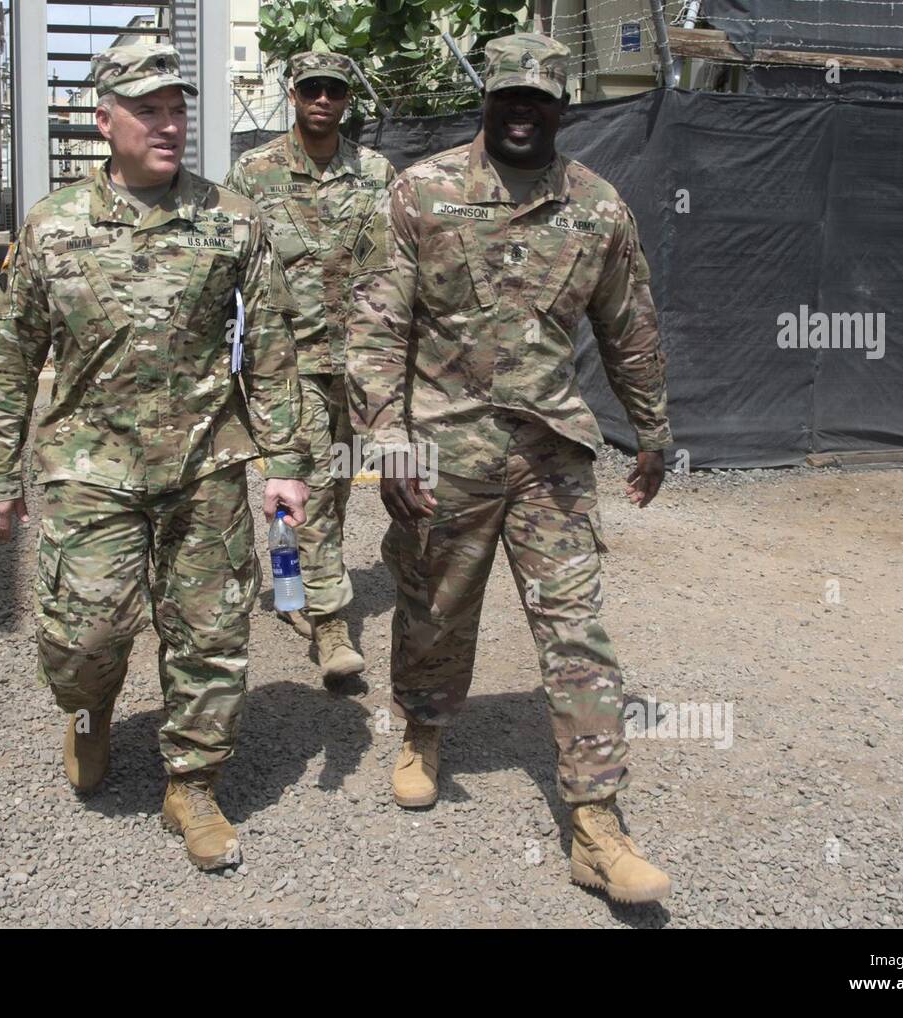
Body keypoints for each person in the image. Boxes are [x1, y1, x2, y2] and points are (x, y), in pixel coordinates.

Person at [0, 44, 309, 871]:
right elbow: (12, 358)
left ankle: (192, 782)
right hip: (90, 471)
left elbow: (270, 350)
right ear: (104, 119)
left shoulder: (231, 220)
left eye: (177, 107)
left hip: (204, 466)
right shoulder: (54, 227)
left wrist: (285, 463)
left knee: (211, 634)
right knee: (81, 644)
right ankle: (89, 714)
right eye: (147, 108)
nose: (168, 123)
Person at [346, 33, 673, 904]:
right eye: (509, 99)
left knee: (576, 627)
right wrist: (386, 436)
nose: (523, 114)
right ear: (486, 102)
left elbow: (628, 327)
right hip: (442, 451)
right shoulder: (422, 192)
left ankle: (598, 826)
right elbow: (377, 325)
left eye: (540, 101)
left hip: (551, 454)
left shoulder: (599, 208)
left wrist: (652, 429)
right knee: (436, 608)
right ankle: (423, 729)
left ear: (562, 108)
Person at [225, 52, 395, 684]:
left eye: (334, 90)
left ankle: (293, 581)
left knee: (338, 484)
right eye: (310, 88)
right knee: (315, 485)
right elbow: (231, 262)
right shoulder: (254, 170)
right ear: (292, 94)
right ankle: (330, 624)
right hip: (288, 360)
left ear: (347, 99)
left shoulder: (375, 171)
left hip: (356, 360)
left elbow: (394, 265)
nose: (322, 98)